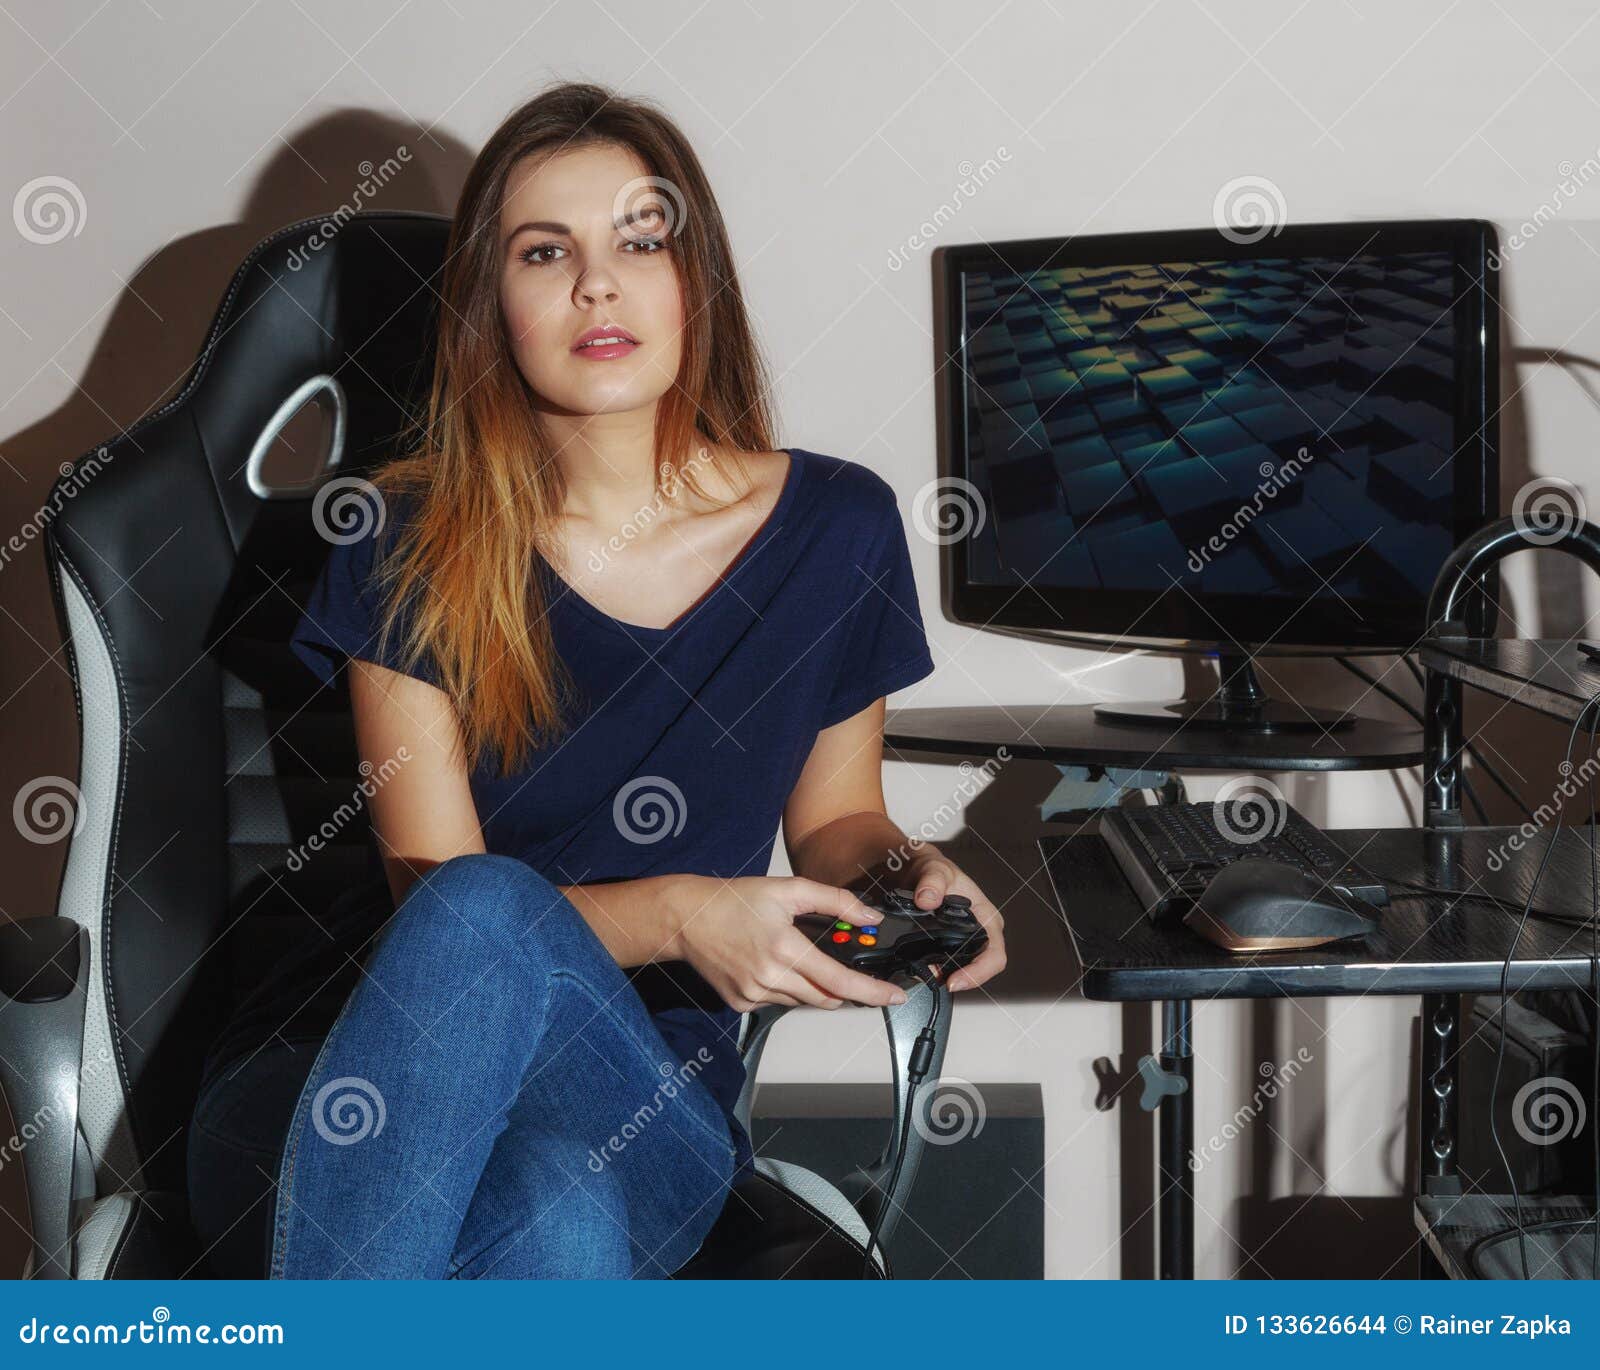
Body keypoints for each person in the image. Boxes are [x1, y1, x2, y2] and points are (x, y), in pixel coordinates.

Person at [185, 79, 1006, 1281]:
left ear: (694, 281)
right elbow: (444, 918)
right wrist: (682, 911)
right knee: (552, 1205)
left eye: (640, 240)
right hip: (345, 1076)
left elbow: (835, 816)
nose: (597, 284)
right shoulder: (405, 535)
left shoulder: (838, 527)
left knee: (572, 1175)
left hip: (637, 1088)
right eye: (543, 252)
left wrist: (901, 874)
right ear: (490, 306)